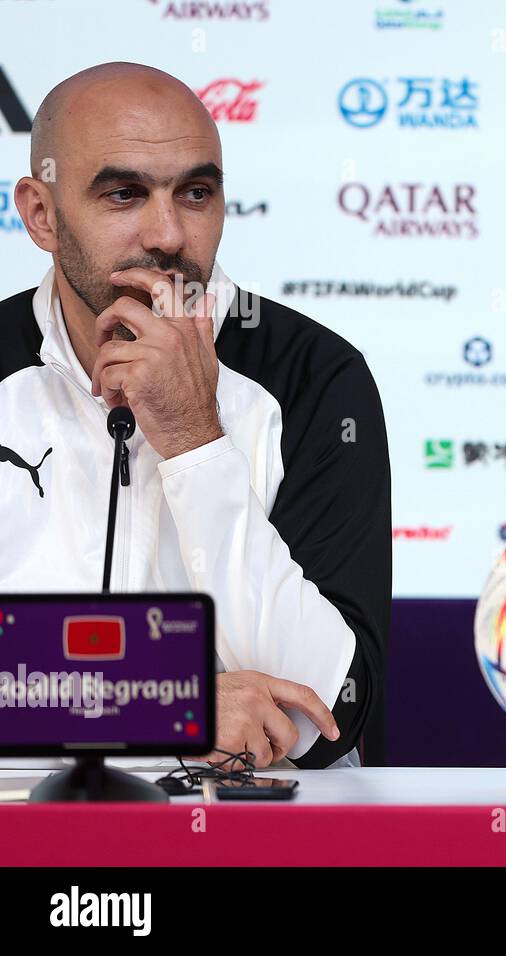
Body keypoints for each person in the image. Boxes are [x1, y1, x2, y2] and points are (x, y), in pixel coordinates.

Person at [0, 62, 390, 769]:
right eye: (123, 194)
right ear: (41, 214)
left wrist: (191, 437)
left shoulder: (317, 376)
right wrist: (168, 709)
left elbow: (336, 708)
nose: (170, 234)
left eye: (197, 192)